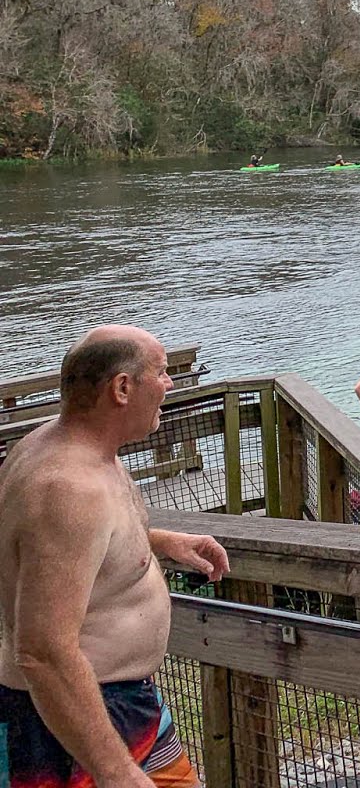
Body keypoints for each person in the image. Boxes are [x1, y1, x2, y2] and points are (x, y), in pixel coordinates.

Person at [0, 325, 228, 788]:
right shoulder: (66, 488)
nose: (170, 384)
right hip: (69, 720)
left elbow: (54, 549)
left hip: (128, 704)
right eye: (161, 374)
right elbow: (41, 651)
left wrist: (160, 542)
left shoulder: (83, 451)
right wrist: (115, 771)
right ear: (122, 388)